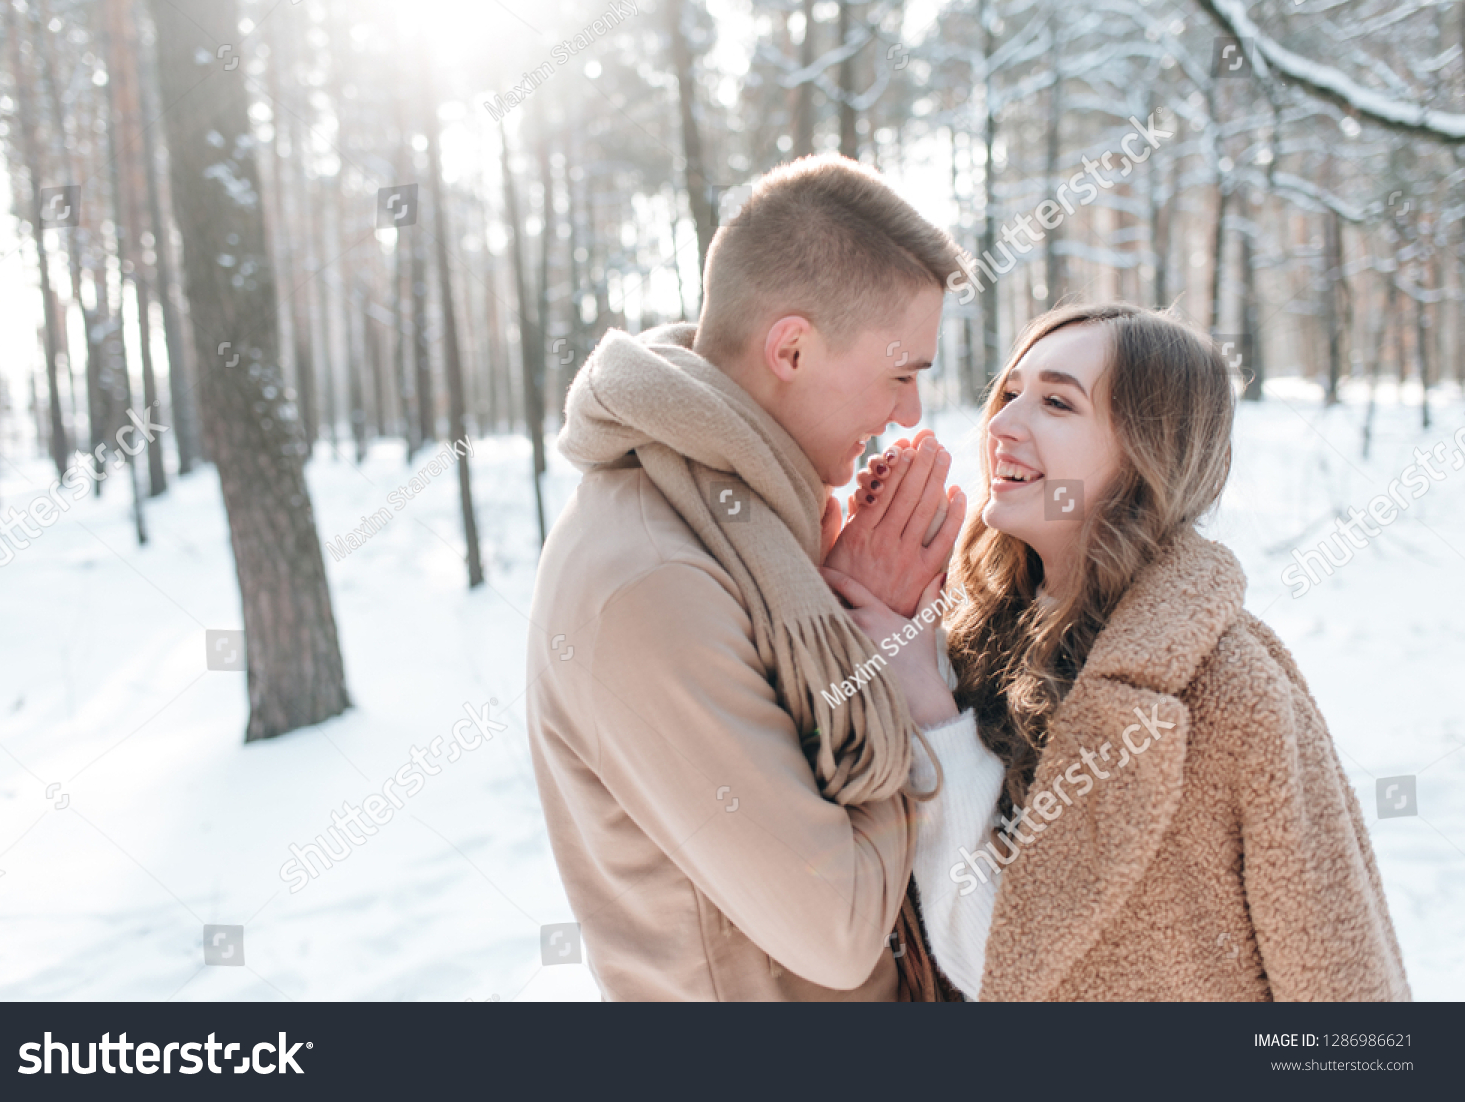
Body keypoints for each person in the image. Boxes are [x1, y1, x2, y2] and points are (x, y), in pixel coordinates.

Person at [827, 302, 1411, 1000]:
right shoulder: (968, 640)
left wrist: (930, 714)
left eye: (1056, 403)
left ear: (1144, 451)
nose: (1003, 425)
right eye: (1009, 394)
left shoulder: (1231, 693)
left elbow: (1345, 984)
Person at [525, 155, 977, 1000]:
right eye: (902, 373)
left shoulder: (747, 518)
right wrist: (872, 655)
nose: (910, 412)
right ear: (793, 348)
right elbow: (839, 933)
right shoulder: (653, 582)